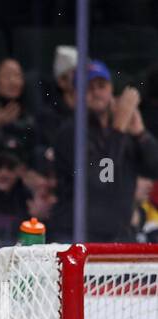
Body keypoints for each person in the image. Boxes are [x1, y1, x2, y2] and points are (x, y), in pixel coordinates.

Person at [50, 60, 158, 242]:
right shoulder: (71, 133)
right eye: (88, 87)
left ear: (110, 90)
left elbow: (154, 168)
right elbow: (101, 179)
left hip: (119, 235)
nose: (96, 92)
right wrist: (119, 128)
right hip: (78, 237)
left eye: (101, 86)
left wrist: (140, 133)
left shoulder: (125, 130)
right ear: (75, 95)